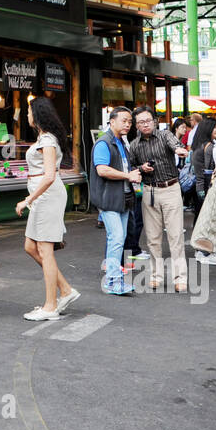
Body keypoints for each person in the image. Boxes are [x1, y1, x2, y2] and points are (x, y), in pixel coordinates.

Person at [15, 96, 81, 320]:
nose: (27, 115)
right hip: (42, 197)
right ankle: (66, 290)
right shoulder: (44, 138)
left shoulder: (48, 140)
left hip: (47, 197)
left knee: (44, 250)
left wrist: (28, 199)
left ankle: (51, 306)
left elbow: (50, 175)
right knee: (30, 247)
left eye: (28, 111)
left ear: (37, 114)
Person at [128, 106, 191, 292]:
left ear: (154, 121)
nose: (145, 124)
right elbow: (132, 167)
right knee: (153, 237)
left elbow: (175, 145)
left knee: (175, 235)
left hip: (171, 188)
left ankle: (180, 278)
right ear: (137, 126)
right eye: (140, 122)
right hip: (149, 191)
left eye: (148, 120)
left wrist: (180, 150)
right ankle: (155, 275)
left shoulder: (164, 135)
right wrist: (141, 169)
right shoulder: (134, 145)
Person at [90, 106, 141, 295]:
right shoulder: (104, 142)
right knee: (117, 238)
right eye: (124, 120)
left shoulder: (120, 142)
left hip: (122, 198)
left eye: (129, 121)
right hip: (109, 199)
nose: (128, 124)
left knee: (117, 239)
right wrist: (128, 176)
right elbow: (102, 169)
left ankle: (114, 276)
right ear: (112, 121)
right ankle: (112, 281)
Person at [191, 117, 216, 265]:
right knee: (207, 220)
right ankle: (203, 252)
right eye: (214, 127)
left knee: (201, 219)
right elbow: (202, 172)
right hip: (206, 186)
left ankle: (201, 251)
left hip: (202, 187)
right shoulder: (208, 146)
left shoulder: (199, 146)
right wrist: (202, 192)